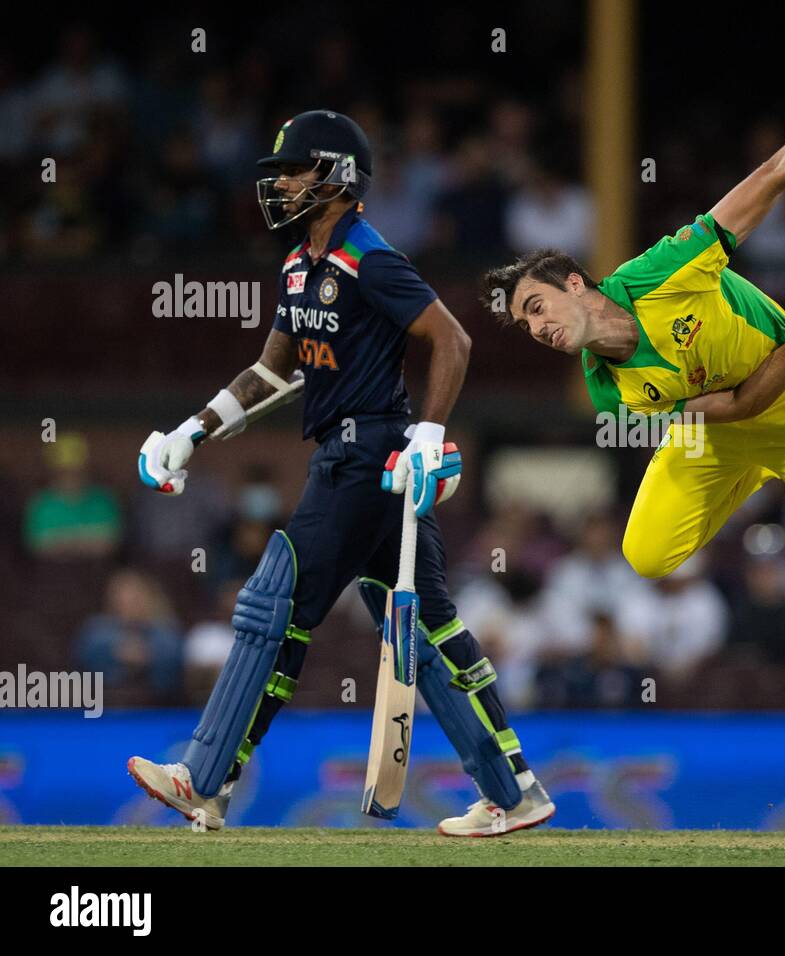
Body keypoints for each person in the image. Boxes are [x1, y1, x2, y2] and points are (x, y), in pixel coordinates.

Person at [483, 28, 785, 848]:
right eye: (518, 324)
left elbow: (775, 172)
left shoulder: (670, 267)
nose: (531, 327)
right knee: (644, 553)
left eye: (534, 307)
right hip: (742, 418)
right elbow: (737, 408)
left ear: (574, 283)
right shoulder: (616, 386)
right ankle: (754, 494)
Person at [128, 109, 552, 835]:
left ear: (338, 176)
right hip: (357, 461)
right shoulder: (299, 264)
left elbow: (452, 340)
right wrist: (191, 433)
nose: (283, 183)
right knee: (425, 628)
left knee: (273, 601)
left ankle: (202, 777)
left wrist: (427, 434)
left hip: (366, 457)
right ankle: (514, 792)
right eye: (281, 173)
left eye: (296, 170)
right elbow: (272, 371)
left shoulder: (370, 256)